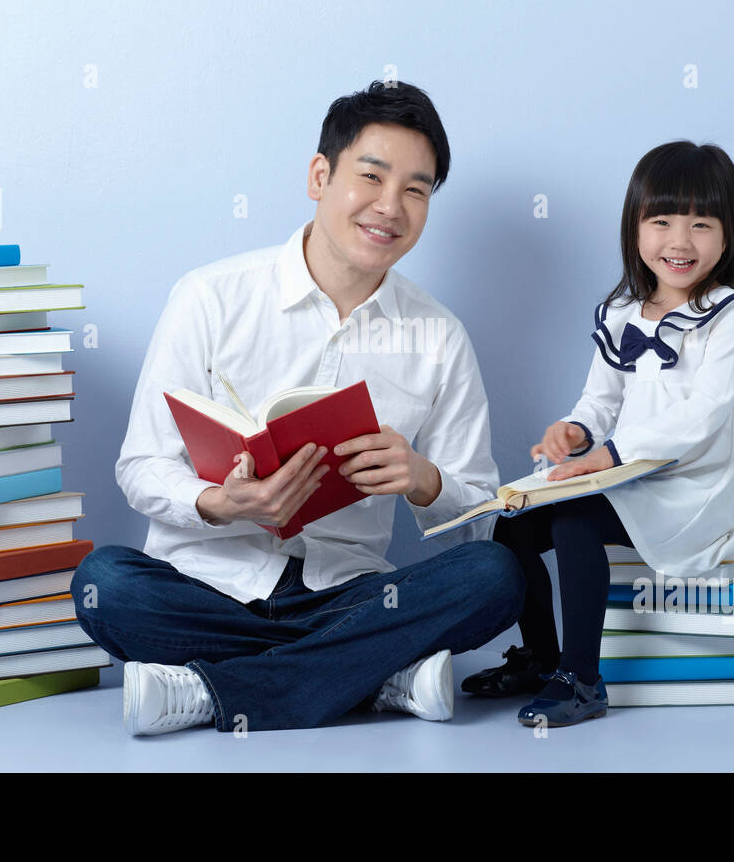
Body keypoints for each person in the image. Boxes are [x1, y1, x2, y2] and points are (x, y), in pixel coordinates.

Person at [71, 80, 524, 735]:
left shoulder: (439, 336)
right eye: (371, 177)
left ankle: (208, 691)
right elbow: (143, 464)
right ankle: (378, 676)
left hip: (349, 595)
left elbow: (477, 523)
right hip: (204, 586)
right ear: (320, 175)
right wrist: (220, 504)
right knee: (105, 583)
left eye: (416, 191)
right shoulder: (210, 297)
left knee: (496, 575)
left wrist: (426, 481)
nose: (389, 206)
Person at [461, 140, 734, 727]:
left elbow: (703, 414)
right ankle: (542, 657)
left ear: (729, 234)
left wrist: (608, 455)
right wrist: (575, 433)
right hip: (624, 471)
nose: (679, 242)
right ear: (635, 228)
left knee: (577, 518)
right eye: (661, 222)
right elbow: (601, 400)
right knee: (515, 521)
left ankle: (582, 678)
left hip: (685, 486)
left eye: (701, 224)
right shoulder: (622, 310)